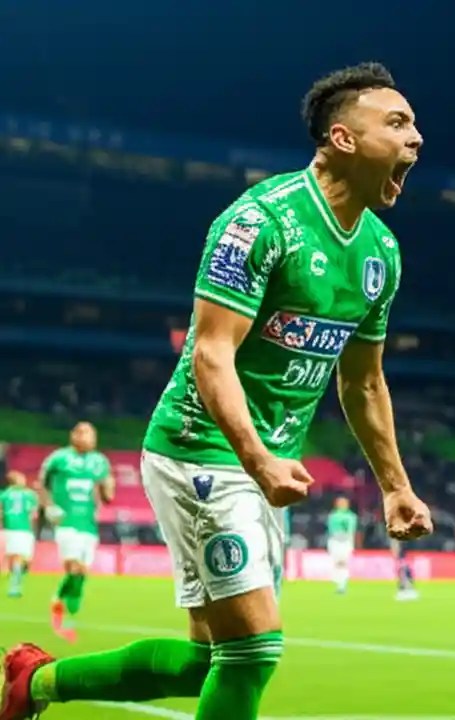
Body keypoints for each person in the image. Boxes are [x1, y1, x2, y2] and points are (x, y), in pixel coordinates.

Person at [0, 62, 432, 720]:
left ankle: (34, 684)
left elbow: (363, 378)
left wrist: (396, 484)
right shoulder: (259, 221)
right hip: (201, 449)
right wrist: (257, 460)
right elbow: (211, 352)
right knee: (256, 649)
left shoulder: (382, 254)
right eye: (397, 122)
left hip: (262, 468)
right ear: (341, 137)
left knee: (210, 660)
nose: (416, 137)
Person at [39, 422, 115, 639]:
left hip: (88, 524)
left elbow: (108, 497)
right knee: (74, 567)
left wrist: (109, 484)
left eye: (92, 434)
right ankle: (63, 609)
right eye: (83, 433)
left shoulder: (100, 462)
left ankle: (61, 602)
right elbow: (42, 484)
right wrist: (49, 507)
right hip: (66, 522)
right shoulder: (58, 458)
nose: (88, 438)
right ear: (73, 435)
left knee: (81, 571)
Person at [1, 471, 40, 599]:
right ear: (15, 480)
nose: (24, 481)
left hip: (9, 529)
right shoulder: (29, 495)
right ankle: (14, 587)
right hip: (23, 530)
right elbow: (34, 514)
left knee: (16, 557)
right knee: (20, 558)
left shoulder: (4, 495)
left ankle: (15, 578)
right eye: (21, 478)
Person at [326, 497, 359, 595]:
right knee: (339, 564)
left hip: (342, 542)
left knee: (342, 564)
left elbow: (350, 531)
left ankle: (341, 584)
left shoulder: (334, 516)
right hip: (337, 542)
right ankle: (340, 583)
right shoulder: (349, 516)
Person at [390, 537, 419, 601]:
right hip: (402, 558)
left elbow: (396, 547)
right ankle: (404, 589)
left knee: (404, 573)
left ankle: (406, 589)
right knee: (403, 573)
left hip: (403, 558)